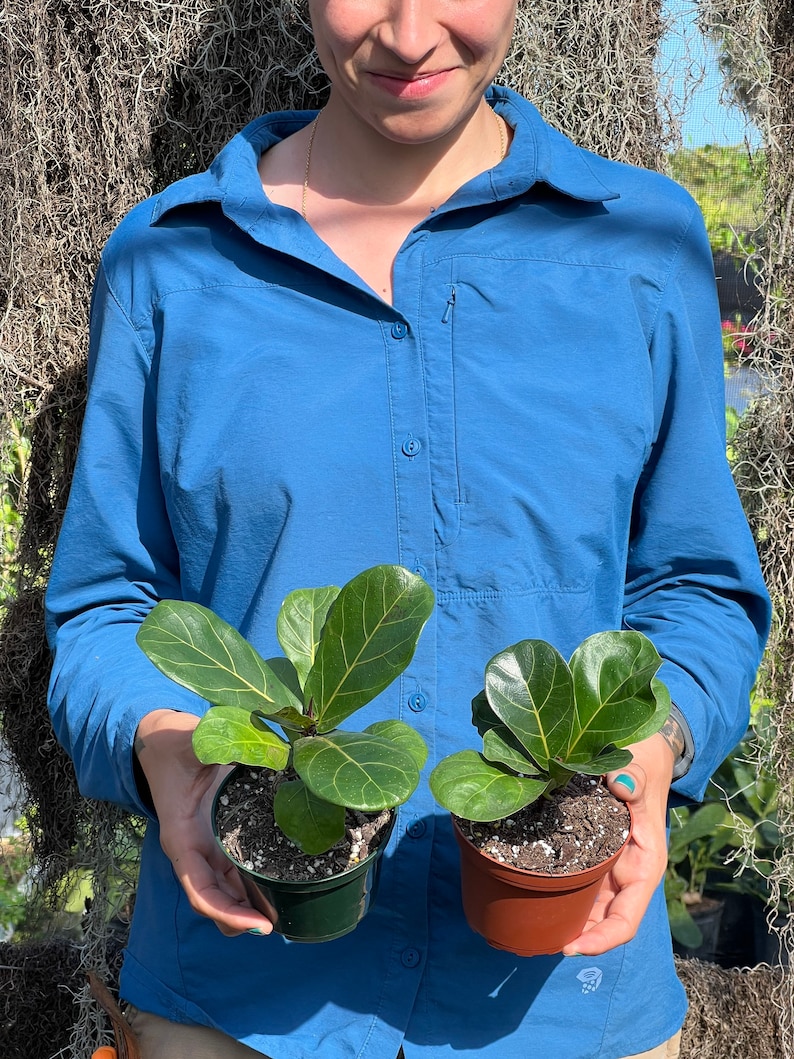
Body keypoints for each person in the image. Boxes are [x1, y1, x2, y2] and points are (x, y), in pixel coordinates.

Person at [45, 2, 770, 1058]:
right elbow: (106, 606)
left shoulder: (641, 248)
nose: (407, 32)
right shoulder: (169, 262)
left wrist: (658, 740)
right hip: (237, 1001)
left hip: (564, 1001)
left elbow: (698, 587)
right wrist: (160, 743)